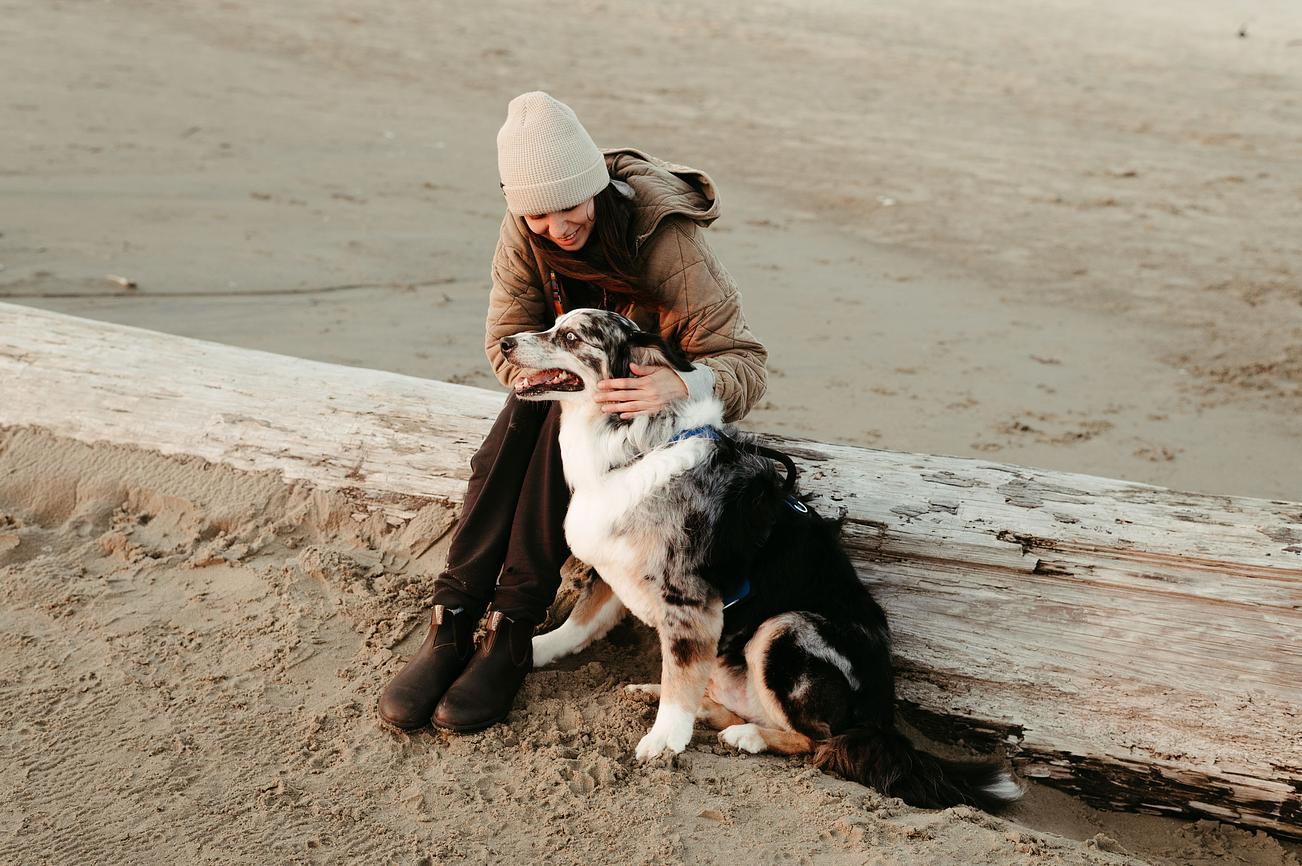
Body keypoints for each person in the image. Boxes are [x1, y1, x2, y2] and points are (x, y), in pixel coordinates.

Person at [378, 91, 768, 733]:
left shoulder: (666, 237)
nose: (557, 227)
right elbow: (504, 343)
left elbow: (745, 362)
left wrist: (682, 382)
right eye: (539, 214)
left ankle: (512, 623)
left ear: (597, 186)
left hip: (654, 420)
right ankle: (454, 618)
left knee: (546, 421)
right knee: (528, 420)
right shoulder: (523, 229)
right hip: (579, 397)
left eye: (571, 206)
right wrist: (564, 381)